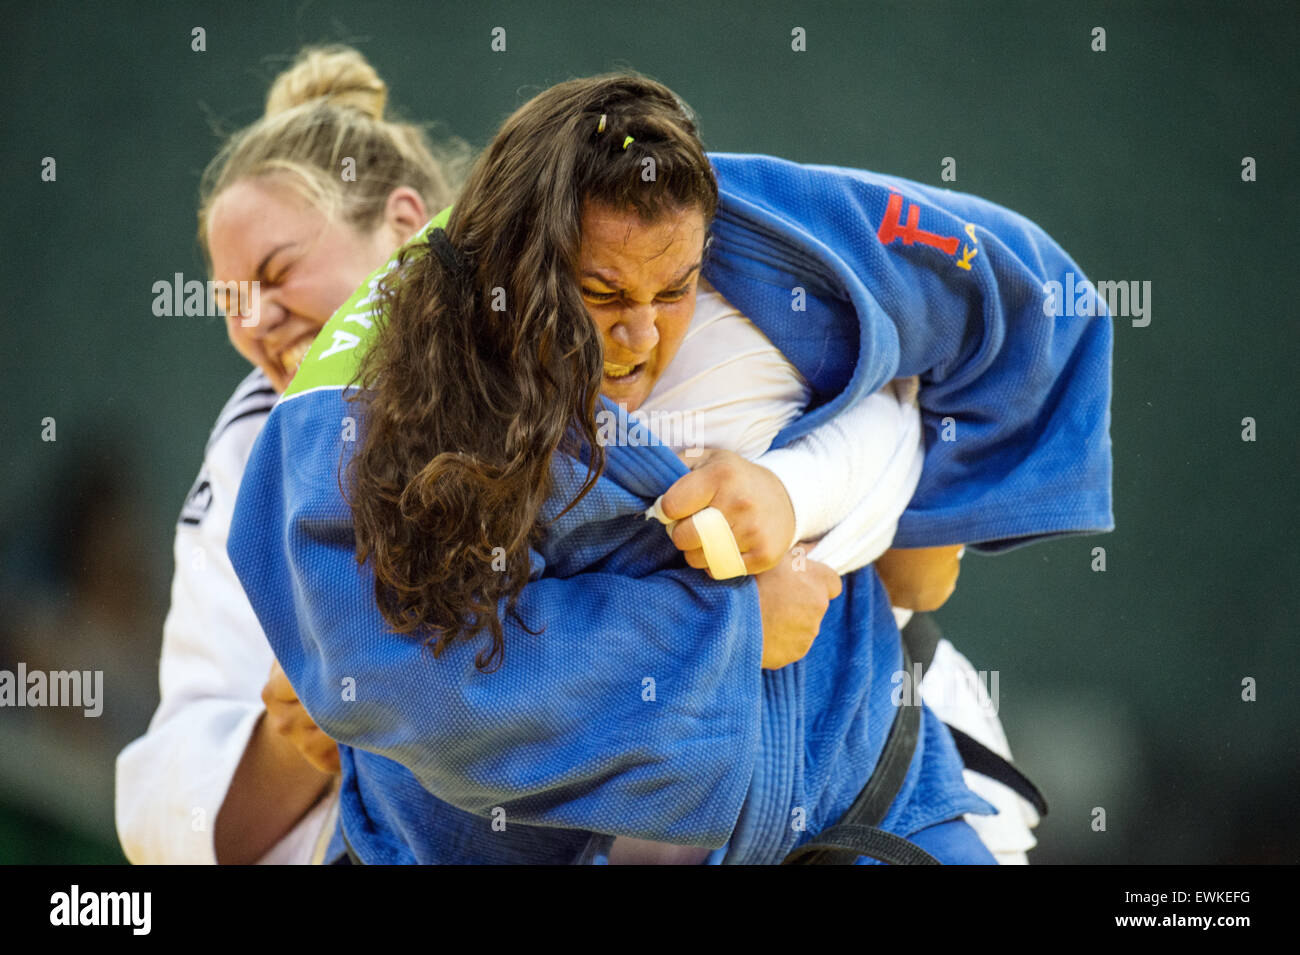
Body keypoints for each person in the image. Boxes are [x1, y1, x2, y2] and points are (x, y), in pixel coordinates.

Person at [228, 73, 1112, 864]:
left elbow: (1041, 296)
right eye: (601, 294)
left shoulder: (759, 226)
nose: (641, 335)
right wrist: (725, 631)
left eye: (672, 290)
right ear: (516, 268)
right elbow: (422, 682)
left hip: (860, 778)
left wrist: (921, 507)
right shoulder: (361, 406)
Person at [114, 45, 465, 864]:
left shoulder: (545, 342)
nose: (257, 321)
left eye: (278, 272)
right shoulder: (250, 450)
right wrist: (295, 735)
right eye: (233, 300)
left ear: (407, 225)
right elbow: (175, 823)